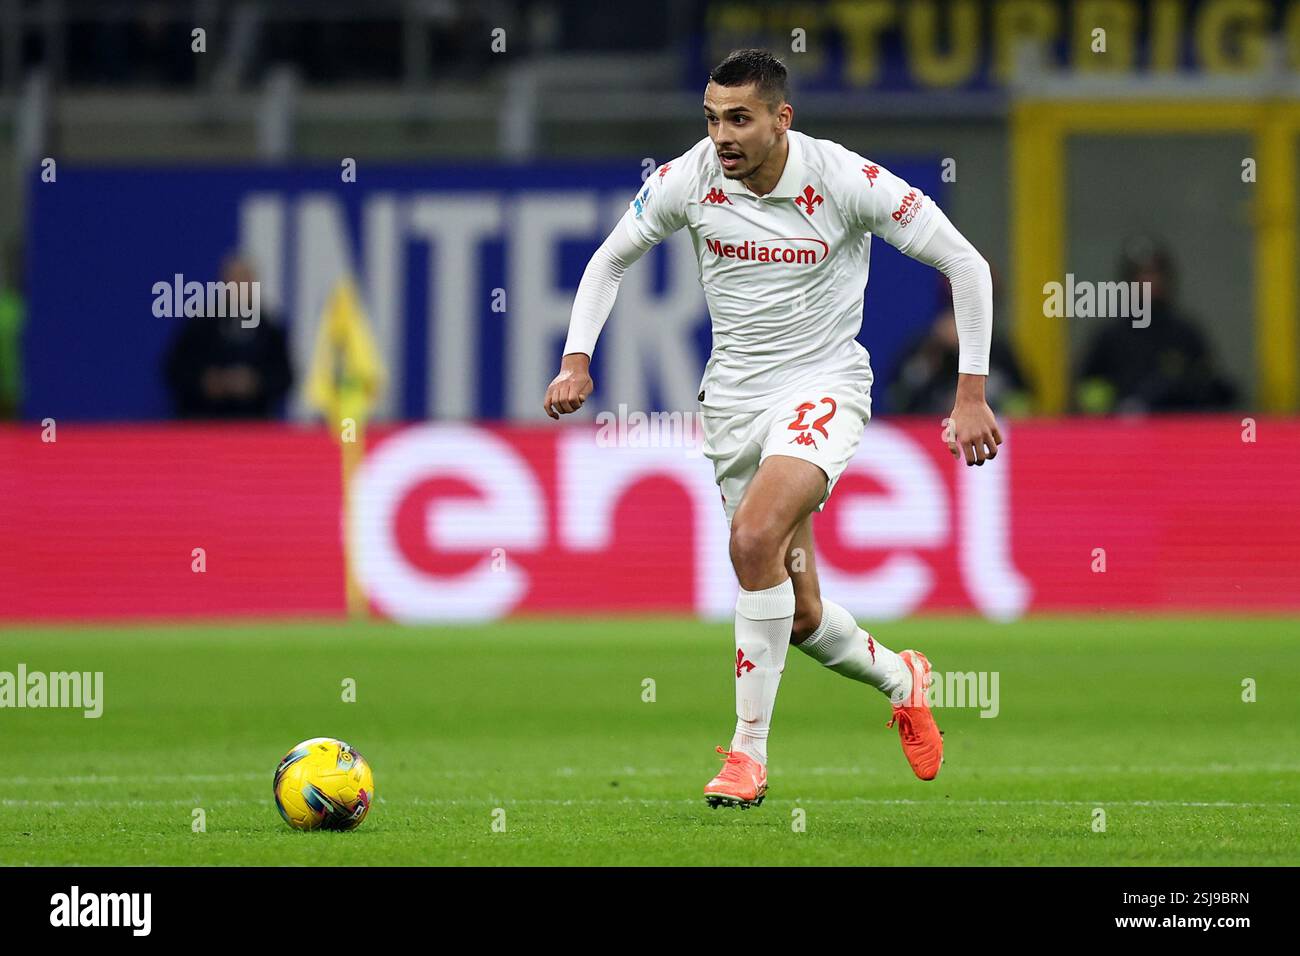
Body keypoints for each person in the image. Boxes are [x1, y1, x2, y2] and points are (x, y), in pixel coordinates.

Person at [543, 50, 1001, 808]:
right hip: (731, 406)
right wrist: (576, 359)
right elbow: (608, 261)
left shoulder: (844, 180)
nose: (721, 135)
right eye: (712, 117)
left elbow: (965, 262)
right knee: (801, 616)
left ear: (781, 120)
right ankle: (903, 677)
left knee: (754, 538)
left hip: (823, 386)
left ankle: (746, 759)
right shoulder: (688, 178)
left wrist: (971, 394)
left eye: (739, 119)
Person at [1075, 236, 1238, 414]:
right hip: (1121, 435)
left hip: (1177, 434)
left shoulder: (1185, 334)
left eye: (1155, 273)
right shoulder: (1109, 336)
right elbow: (1084, 390)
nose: (1150, 281)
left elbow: (1209, 388)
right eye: (1142, 274)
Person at [162, 255, 293, 419]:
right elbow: (174, 369)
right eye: (234, 281)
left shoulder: (270, 330)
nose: (239, 288)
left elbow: (285, 376)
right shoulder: (200, 325)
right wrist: (205, 381)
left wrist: (255, 382)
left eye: (245, 282)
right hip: (204, 423)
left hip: (253, 426)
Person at [891, 274, 1031, 416]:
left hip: (982, 431)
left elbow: (1025, 401)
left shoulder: (998, 351)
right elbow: (897, 397)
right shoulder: (925, 347)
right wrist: (932, 355)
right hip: (928, 429)